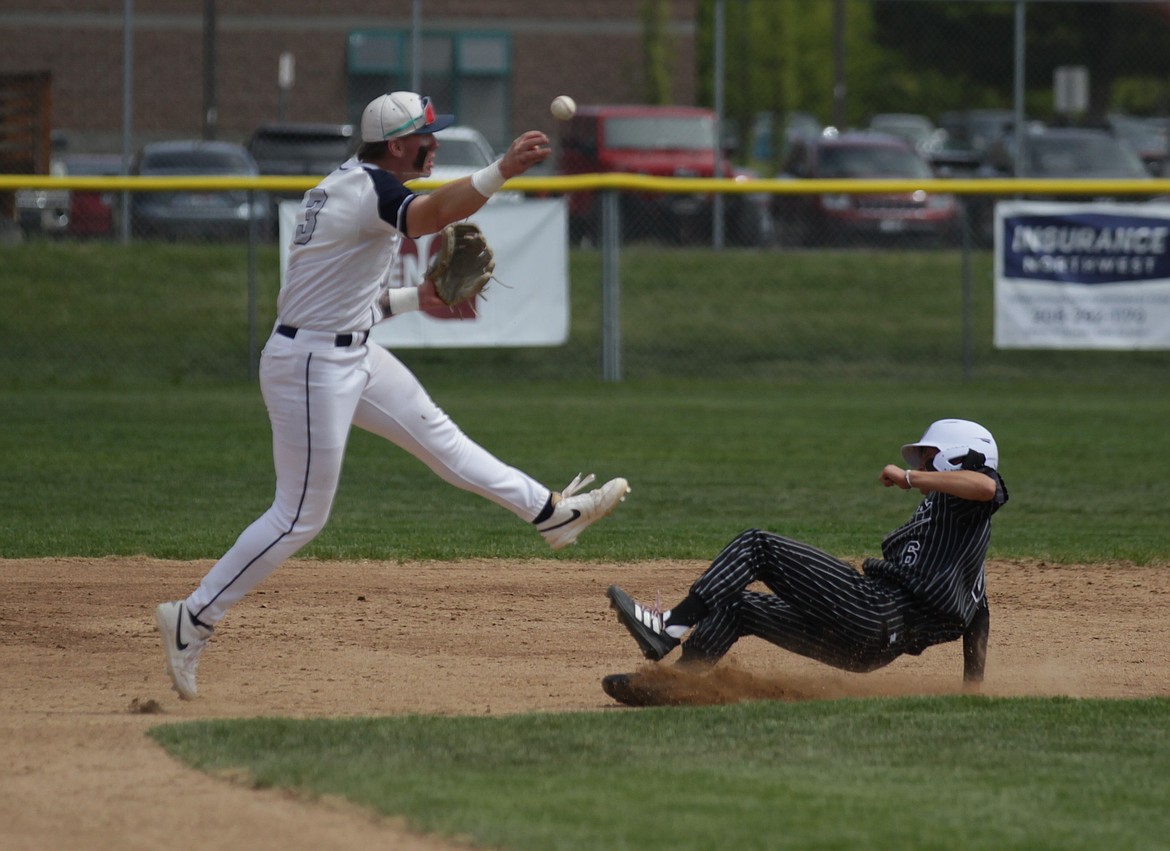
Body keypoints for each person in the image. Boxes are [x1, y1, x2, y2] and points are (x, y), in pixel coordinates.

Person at [155, 92, 630, 700]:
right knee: (299, 515)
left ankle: (549, 513)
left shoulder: (351, 187)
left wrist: (416, 301)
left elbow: (344, 299)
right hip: (312, 366)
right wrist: (501, 171)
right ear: (399, 144)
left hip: (344, 351)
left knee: (443, 441)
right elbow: (428, 218)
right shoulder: (367, 189)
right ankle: (193, 618)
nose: (436, 144)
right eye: (429, 137)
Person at [604, 419, 1007, 706]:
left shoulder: (969, 507)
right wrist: (972, 691)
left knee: (757, 545)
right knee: (739, 606)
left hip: (874, 613)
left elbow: (987, 487)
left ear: (958, 458)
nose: (921, 465)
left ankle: (668, 627)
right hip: (867, 649)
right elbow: (978, 615)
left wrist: (909, 478)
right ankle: (676, 683)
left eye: (929, 456)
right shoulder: (960, 540)